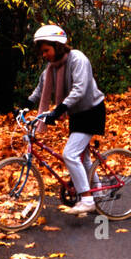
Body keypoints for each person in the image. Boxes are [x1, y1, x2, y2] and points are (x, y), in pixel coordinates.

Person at [29, 23, 106, 216]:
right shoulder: (51, 69)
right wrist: (22, 104)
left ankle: (87, 199)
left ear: (57, 45)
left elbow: (79, 89)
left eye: (46, 50)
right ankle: (99, 191)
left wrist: (59, 109)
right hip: (76, 114)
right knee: (84, 158)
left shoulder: (78, 59)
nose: (44, 55)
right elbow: (39, 90)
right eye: (42, 52)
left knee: (70, 154)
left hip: (91, 111)